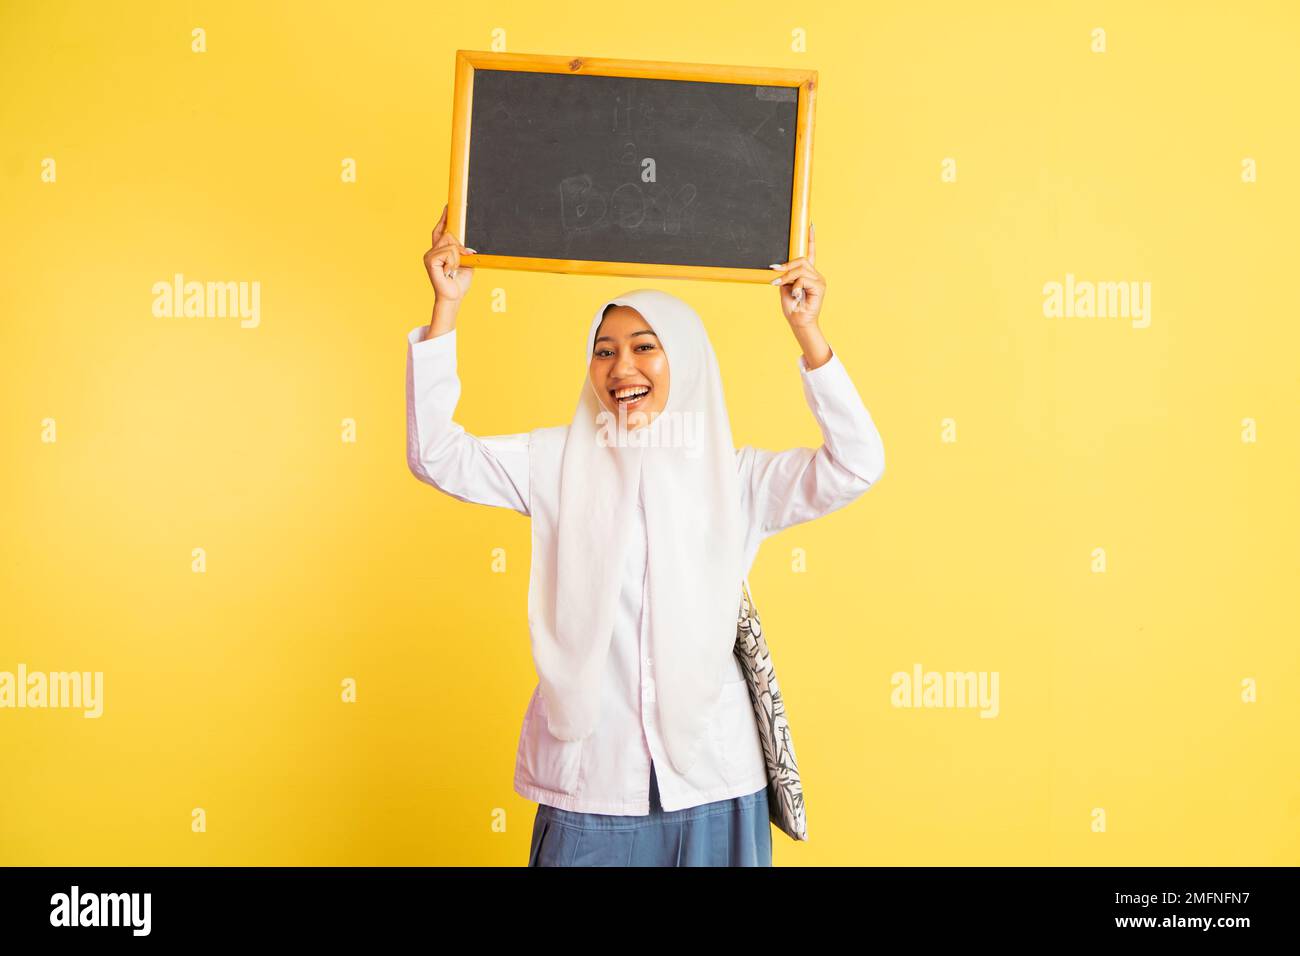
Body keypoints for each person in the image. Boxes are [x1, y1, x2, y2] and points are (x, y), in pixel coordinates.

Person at [406, 204, 885, 866]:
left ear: (681, 360)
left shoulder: (737, 478)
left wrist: (807, 331)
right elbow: (435, 455)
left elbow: (856, 464)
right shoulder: (556, 462)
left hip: (717, 781)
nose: (620, 367)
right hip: (593, 786)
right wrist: (447, 308)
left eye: (643, 347)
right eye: (604, 351)